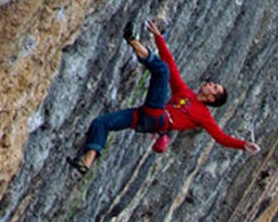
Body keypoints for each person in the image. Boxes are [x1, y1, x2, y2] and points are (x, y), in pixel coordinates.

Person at [68, 19, 260, 174]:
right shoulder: (185, 93)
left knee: (161, 71)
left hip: (158, 118)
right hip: (144, 118)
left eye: (214, 87)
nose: (210, 83)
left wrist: (243, 145)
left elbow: (220, 137)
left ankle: (132, 40)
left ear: (211, 99)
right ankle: (86, 162)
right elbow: (172, 64)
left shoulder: (203, 115)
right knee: (102, 122)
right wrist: (159, 38)